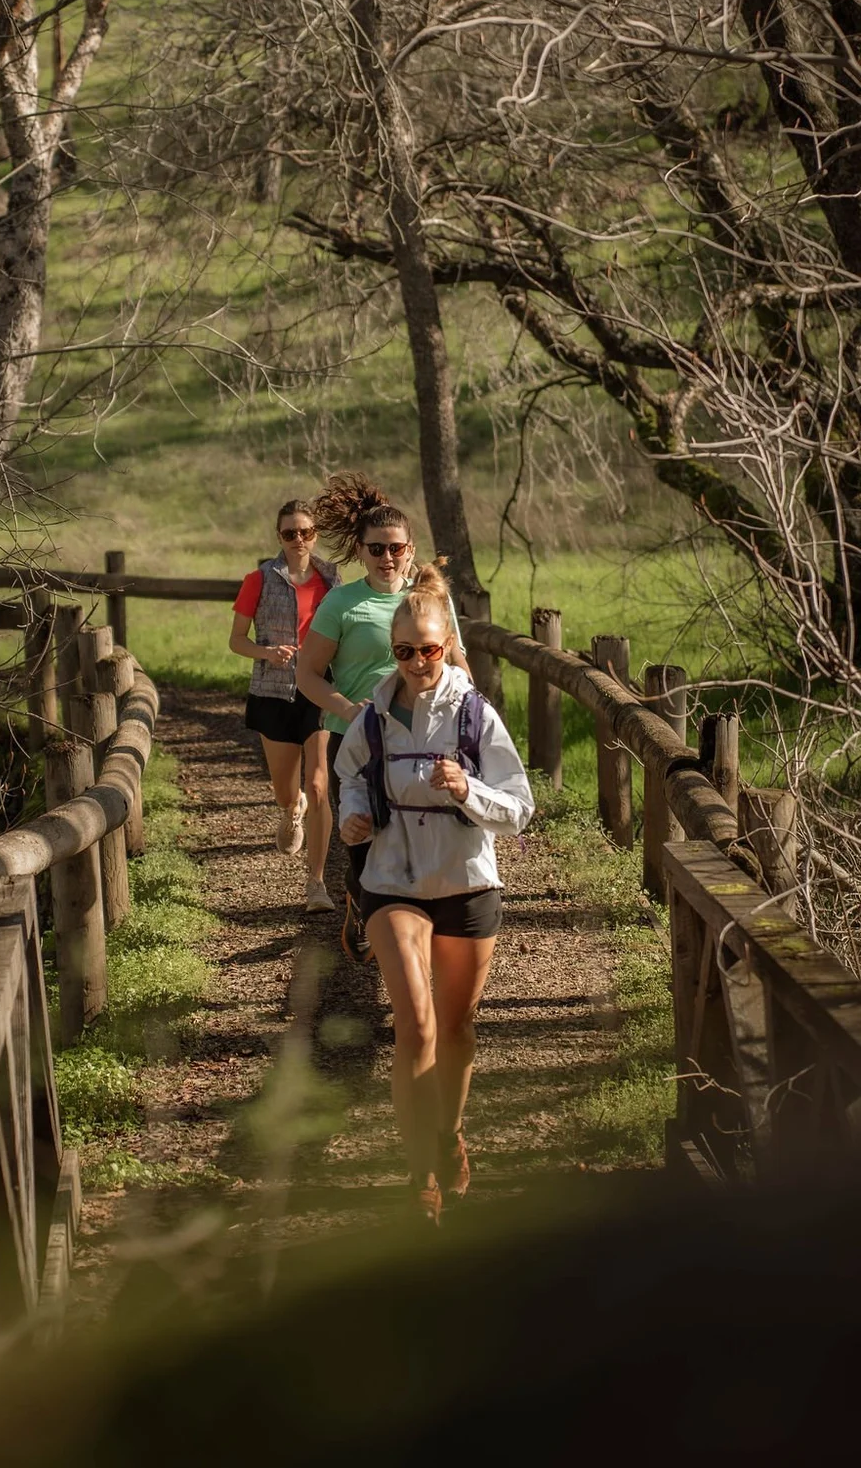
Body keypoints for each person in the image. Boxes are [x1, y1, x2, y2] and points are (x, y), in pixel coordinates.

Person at [334, 563, 534, 1223]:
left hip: (468, 882)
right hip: (392, 881)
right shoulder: (373, 717)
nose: (417, 661)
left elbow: (519, 808)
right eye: (403, 651)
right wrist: (352, 816)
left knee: (456, 1027)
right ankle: (419, 1165)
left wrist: (466, 789)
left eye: (427, 648)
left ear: (446, 641)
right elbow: (351, 779)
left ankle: (447, 1132)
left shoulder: (475, 715)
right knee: (415, 1024)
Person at [296, 473, 470, 964]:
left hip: (424, 733)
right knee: (363, 836)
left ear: (411, 549)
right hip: (358, 738)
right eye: (376, 549)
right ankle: (363, 896)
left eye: (395, 548)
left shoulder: (432, 601)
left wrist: (473, 711)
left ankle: (412, 933)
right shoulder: (342, 603)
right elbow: (308, 675)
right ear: (360, 549)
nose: (386, 558)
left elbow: (457, 663)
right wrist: (351, 712)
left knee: (424, 832)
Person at [229, 500, 340, 913]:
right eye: (290, 533)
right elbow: (236, 640)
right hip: (272, 692)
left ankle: (316, 884)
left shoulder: (332, 579)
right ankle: (291, 810)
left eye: (306, 532)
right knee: (285, 789)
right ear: (279, 537)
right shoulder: (258, 580)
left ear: (316, 535)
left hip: (319, 691)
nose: (299, 540)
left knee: (318, 785)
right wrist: (266, 652)